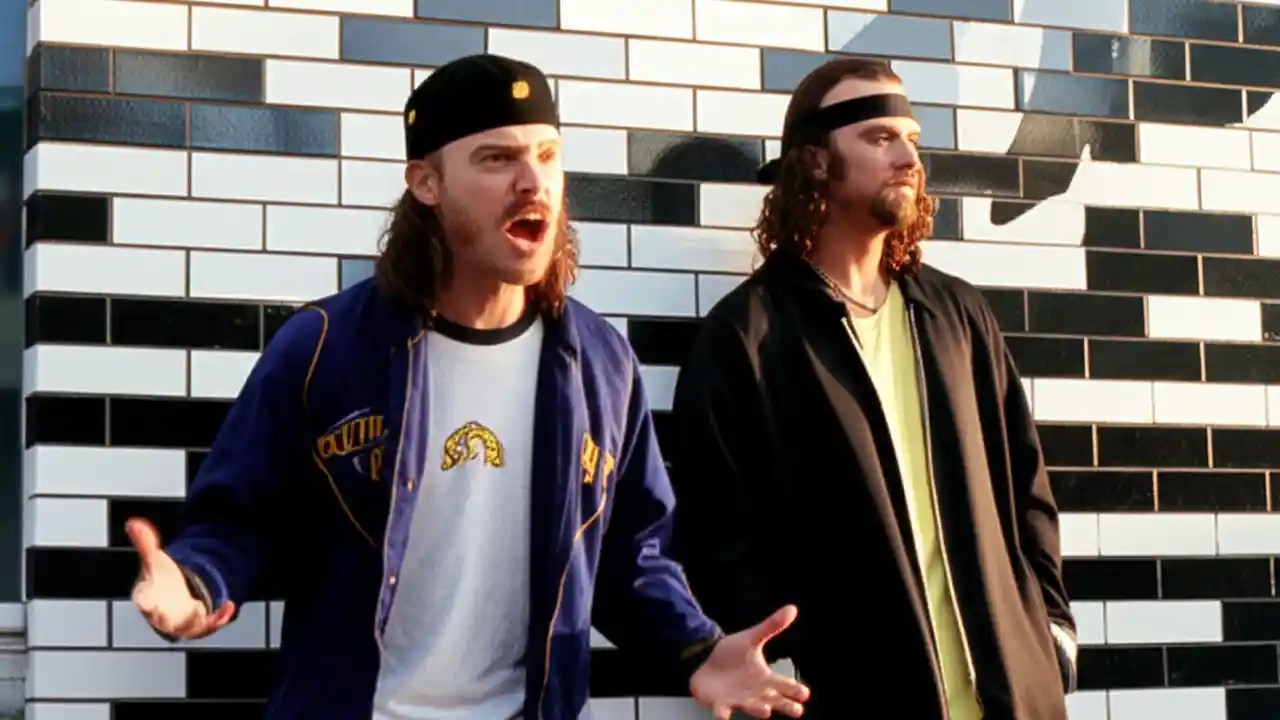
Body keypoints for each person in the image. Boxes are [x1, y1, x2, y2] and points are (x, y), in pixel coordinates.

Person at [124, 53, 810, 720]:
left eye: (546, 155)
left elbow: (634, 555)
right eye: (496, 159)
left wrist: (698, 648)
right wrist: (192, 585)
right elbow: (237, 519)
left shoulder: (602, 366)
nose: (533, 182)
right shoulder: (324, 348)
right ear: (426, 183)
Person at [666, 57, 1078, 720]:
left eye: (911, 138)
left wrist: (1050, 631)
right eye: (880, 139)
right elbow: (715, 538)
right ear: (815, 163)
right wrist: (790, 668)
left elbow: (1028, 491)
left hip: (1013, 695)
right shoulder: (747, 338)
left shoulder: (959, 316)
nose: (908, 157)